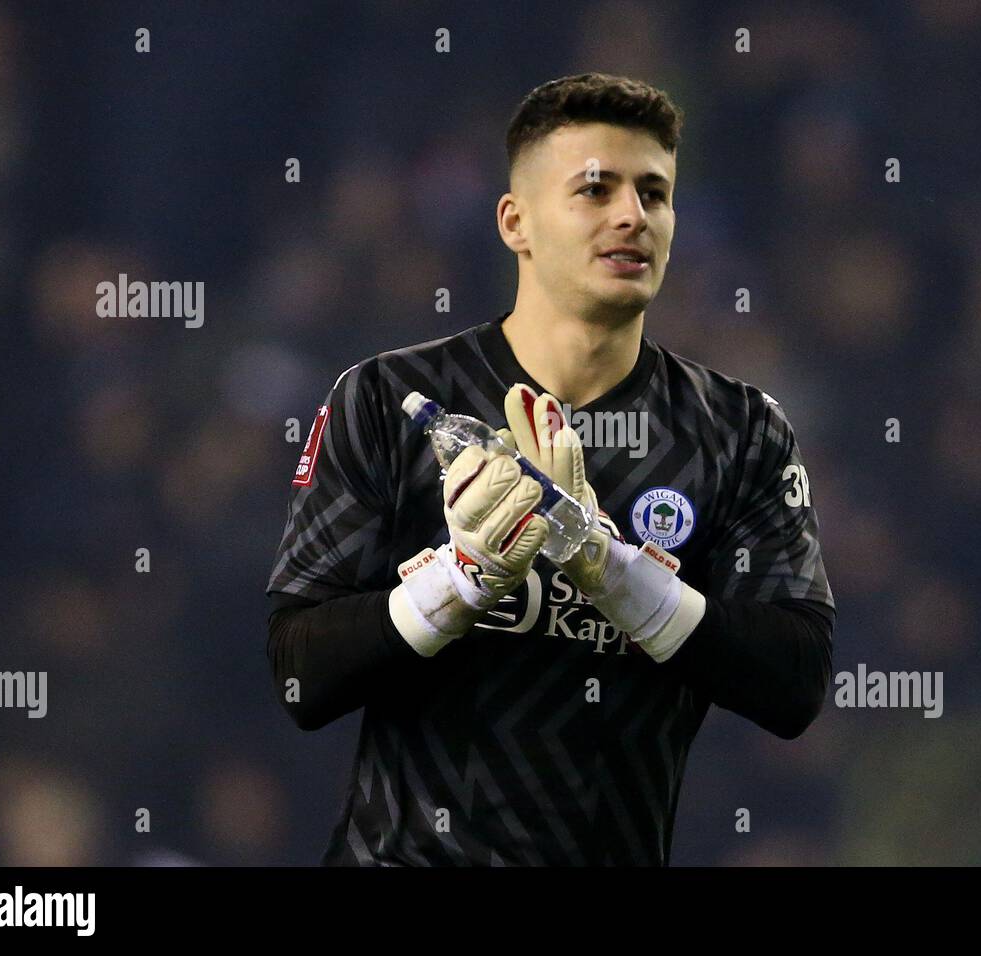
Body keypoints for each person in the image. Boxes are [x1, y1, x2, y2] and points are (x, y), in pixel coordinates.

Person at [265, 72, 835, 865]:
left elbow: (796, 683)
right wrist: (460, 581)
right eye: (595, 190)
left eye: (654, 194)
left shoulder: (739, 432)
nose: (632, 216)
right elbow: (299, 676)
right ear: (516, 221)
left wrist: (610, 569)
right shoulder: (389, 400)